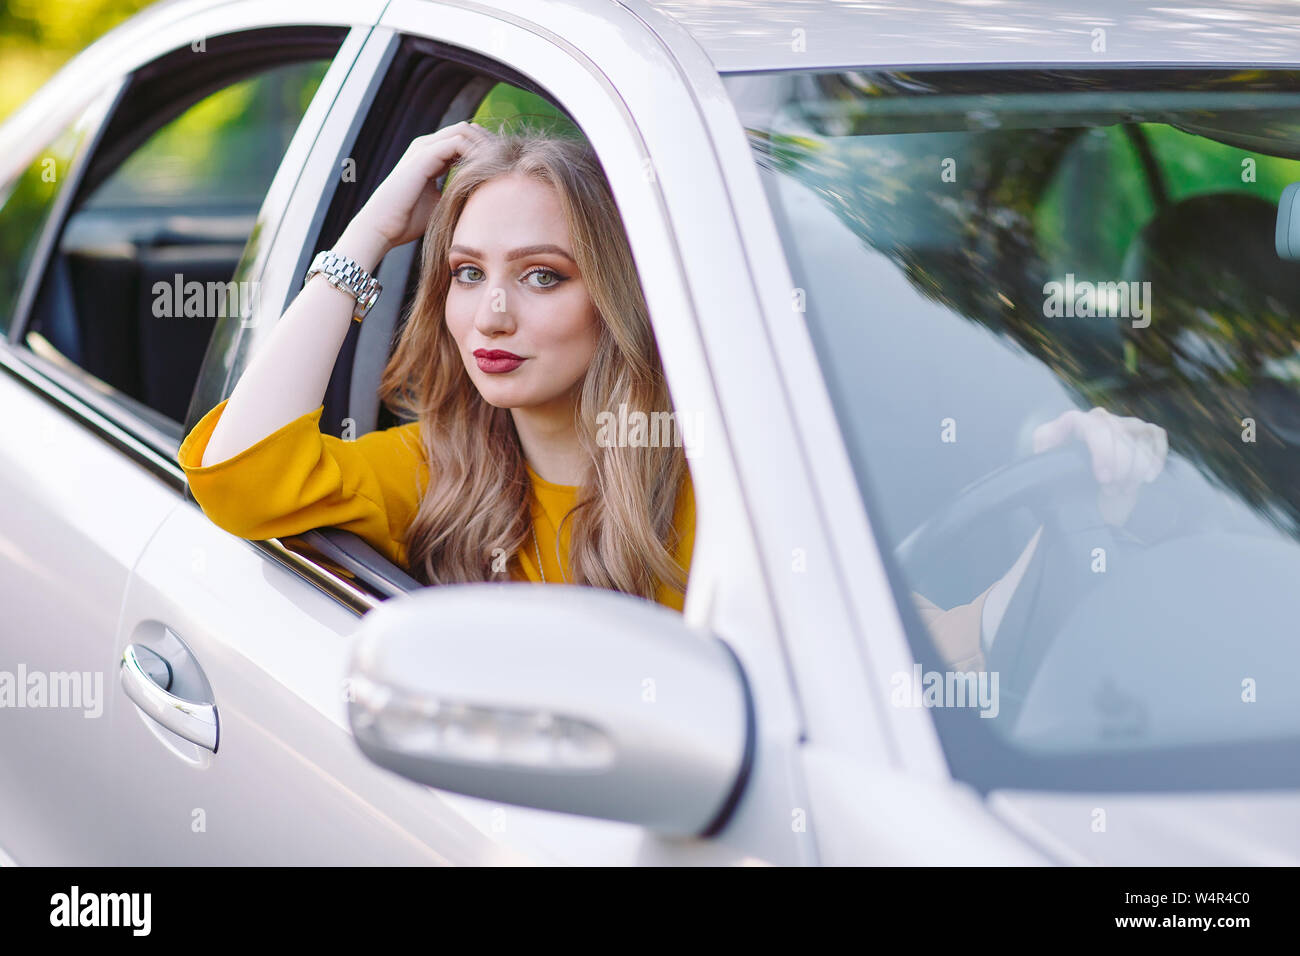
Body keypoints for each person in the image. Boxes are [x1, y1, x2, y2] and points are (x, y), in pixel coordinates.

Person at [178, 120, 694, 610]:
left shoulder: (718, 485)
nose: (492, 318)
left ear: (621, 294)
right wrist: (370, 232)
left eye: (541, 276)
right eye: (468, 272)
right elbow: (238, 478)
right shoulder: (434, 472)